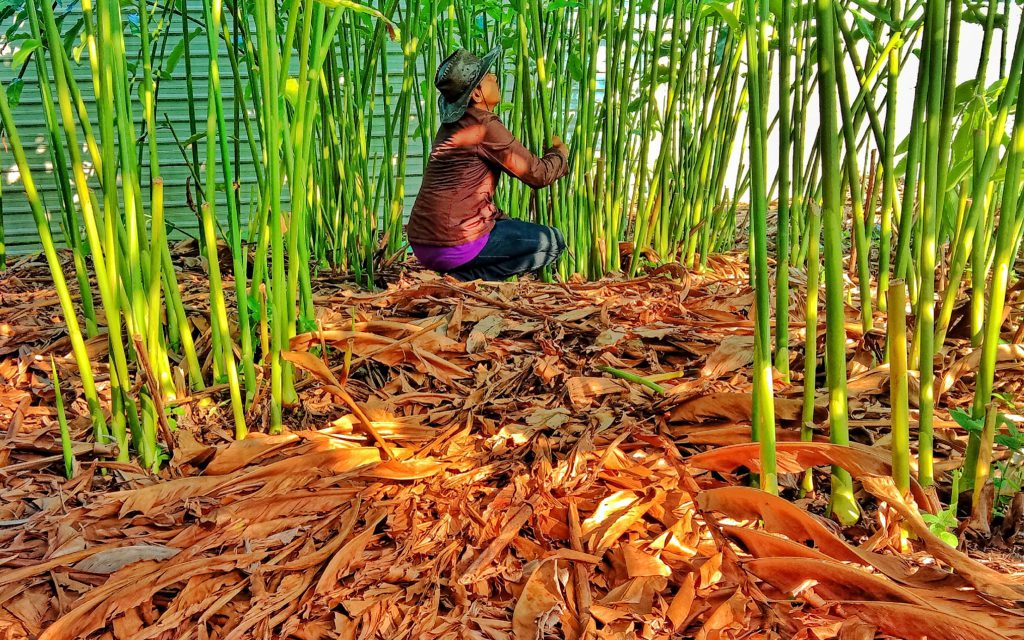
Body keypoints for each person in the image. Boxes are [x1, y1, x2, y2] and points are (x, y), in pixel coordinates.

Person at [406, 46, 569, 282]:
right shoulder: (483, 125)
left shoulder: (452, 125)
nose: (494, 76)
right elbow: (538, 174)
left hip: (423, 242)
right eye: (487, 76)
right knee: (553, 241)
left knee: (513, 227)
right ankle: (463, 278)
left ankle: (458, 277)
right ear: (476, 94)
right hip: (454, 242)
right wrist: (560, 153)